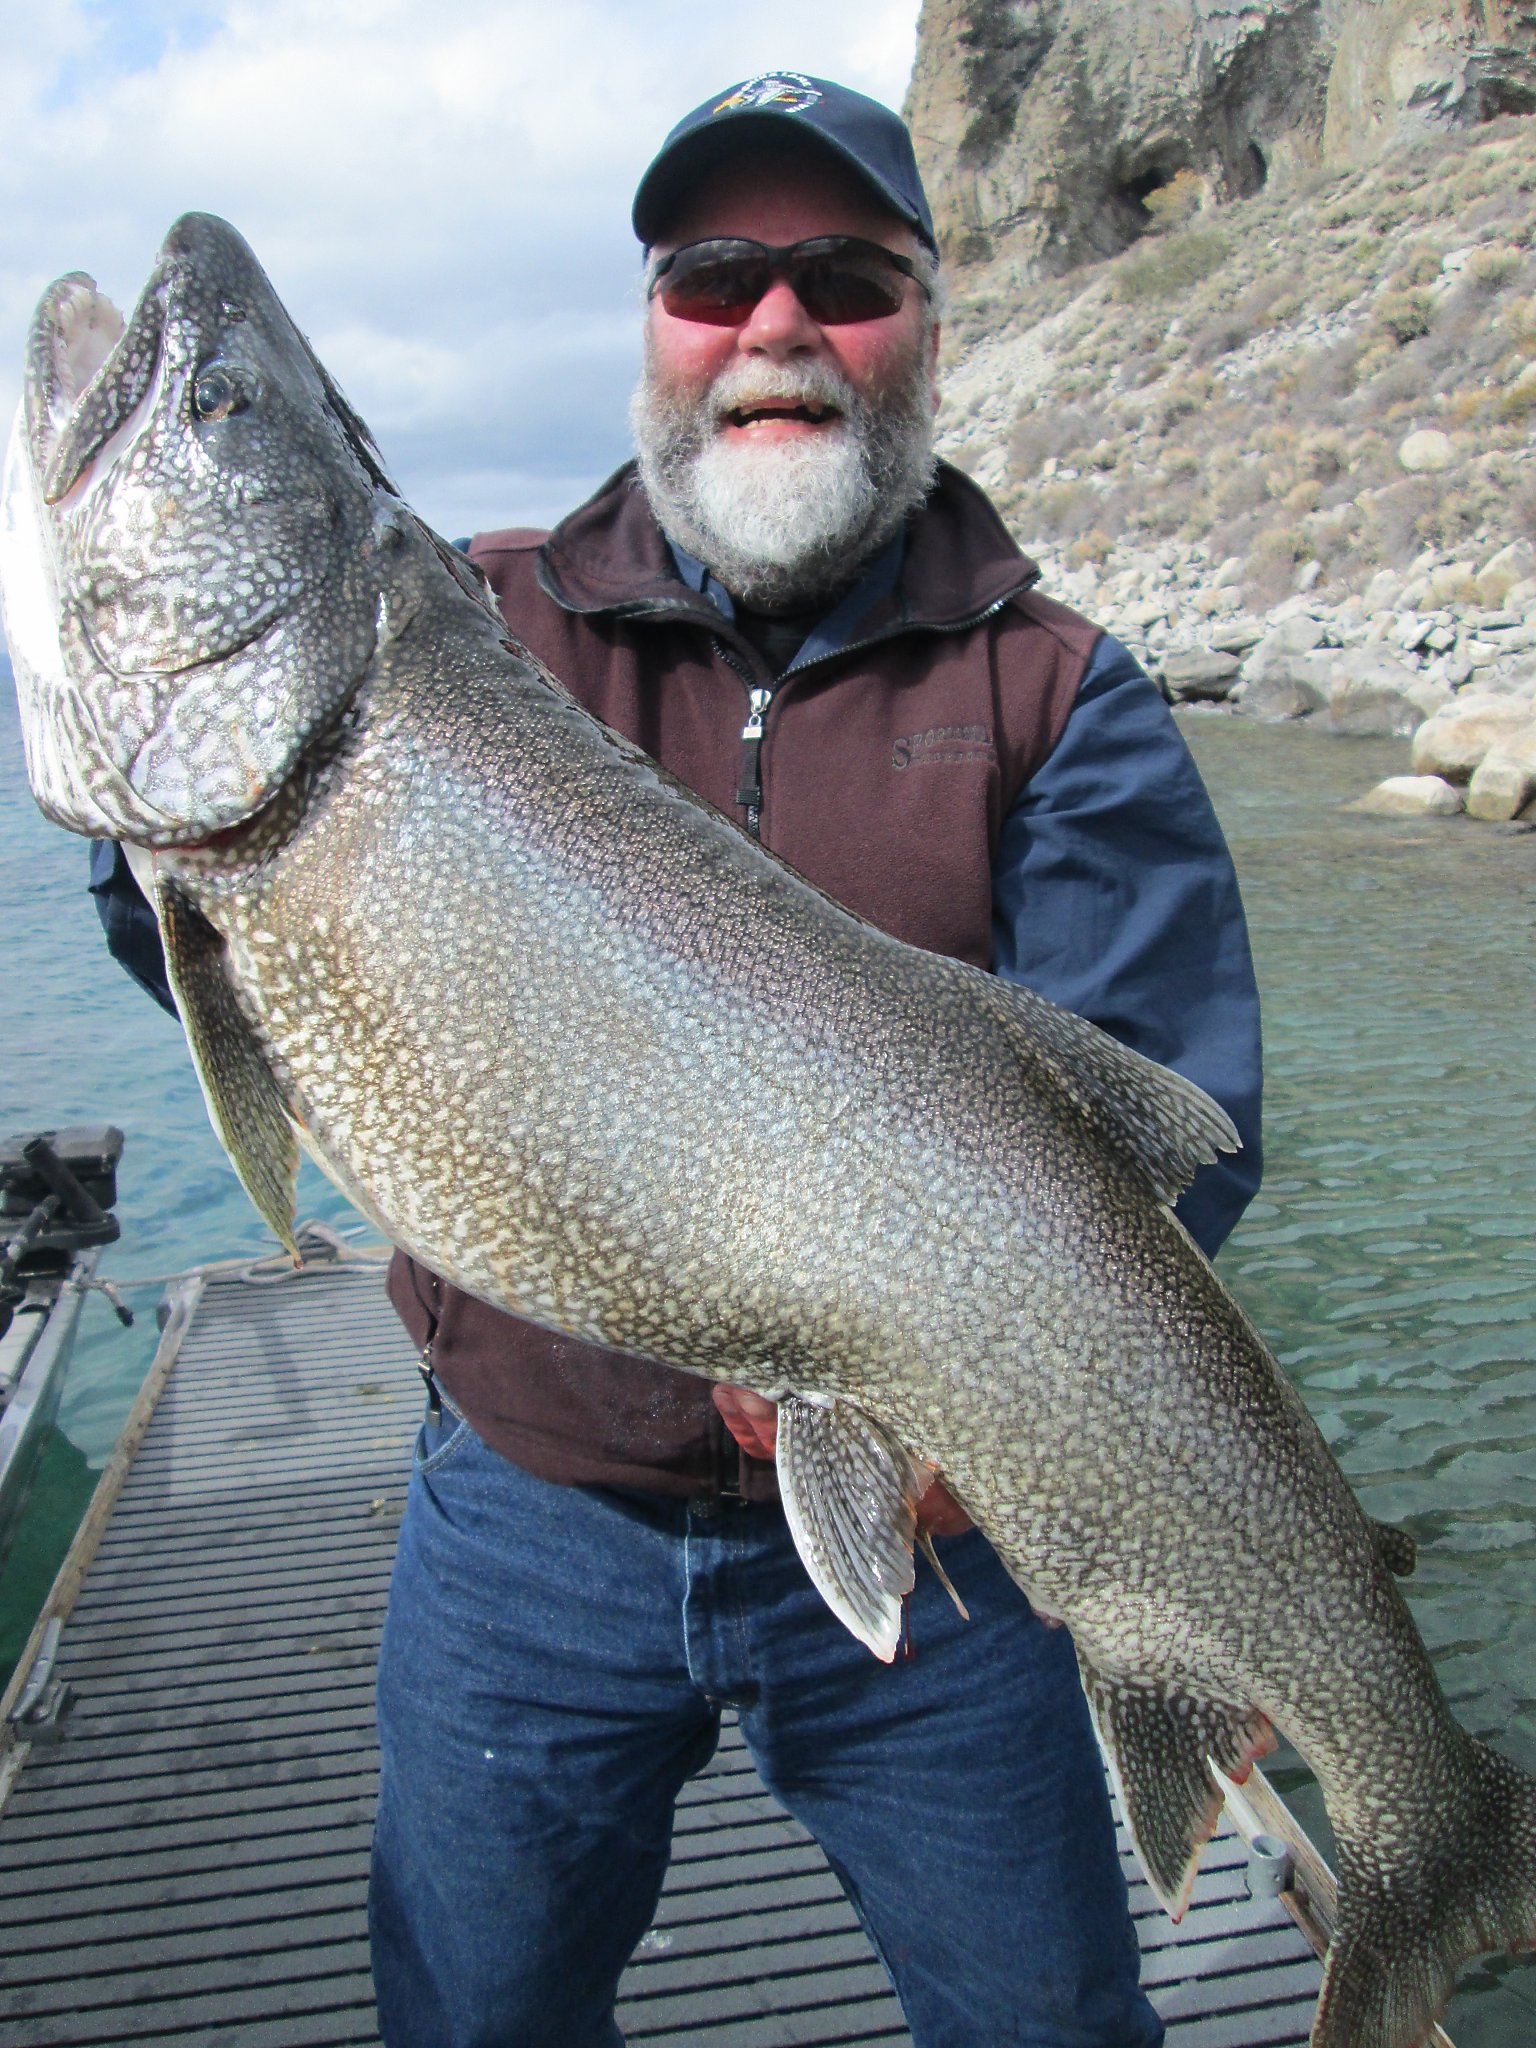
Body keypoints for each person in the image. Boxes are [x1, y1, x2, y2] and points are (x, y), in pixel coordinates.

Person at [91, 71, 1263, 2048]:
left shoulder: (1061, 689)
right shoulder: (459, 631)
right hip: (527, 1524)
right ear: (652, 321)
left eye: (842, 274)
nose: (775, 321)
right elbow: (227, 947)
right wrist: (145, 795)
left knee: (1055, 2024)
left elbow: (1171, 1137)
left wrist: (985, 1429)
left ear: (924, 326)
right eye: (716, 272)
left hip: (933, 1561)